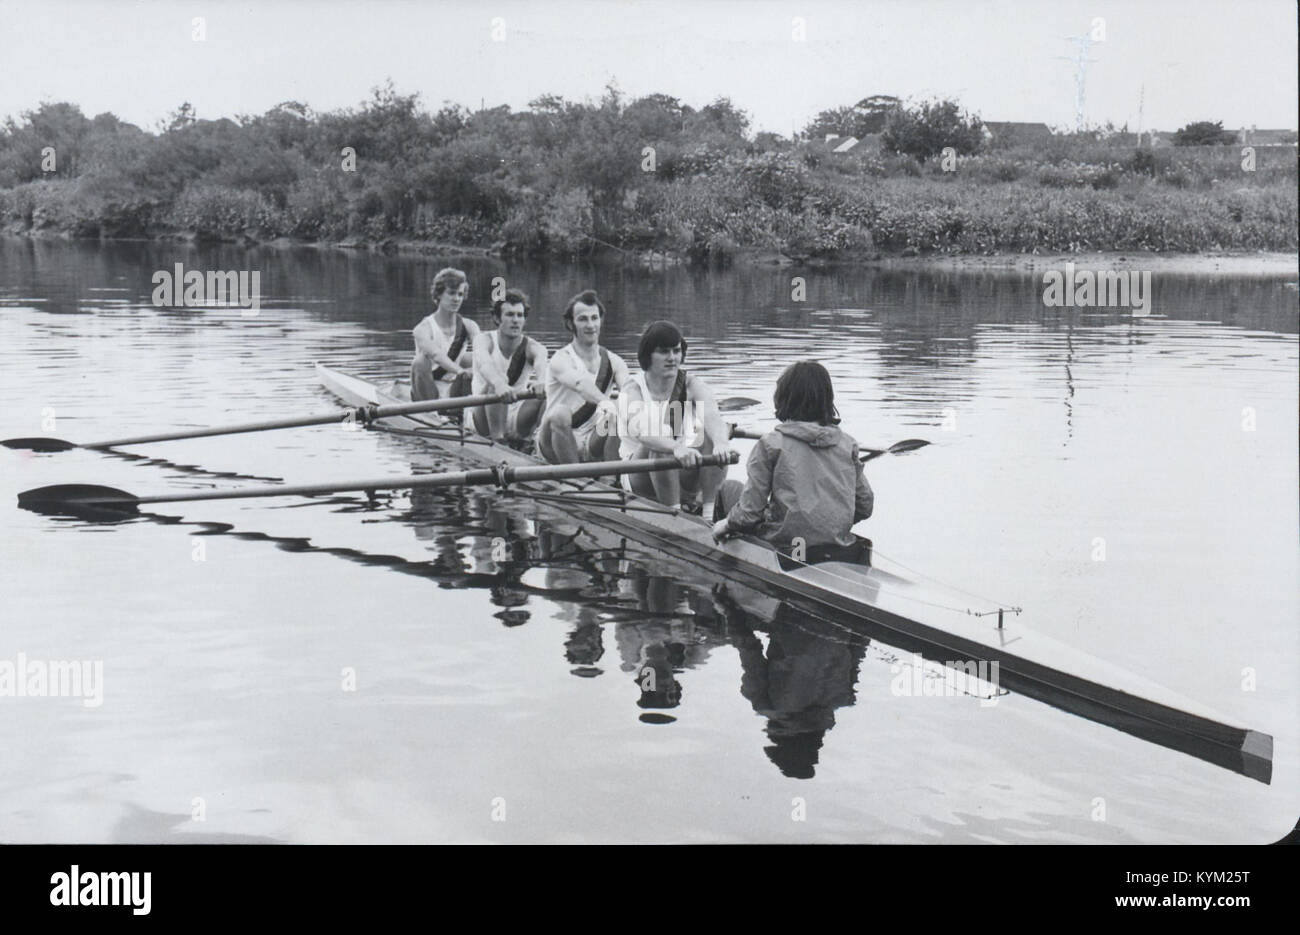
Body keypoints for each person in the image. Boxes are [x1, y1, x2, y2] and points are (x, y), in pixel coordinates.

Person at [711, 360, 873, 560]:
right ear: (828, 399)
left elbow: (749, 513)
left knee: (729, 488)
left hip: (788, 549)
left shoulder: (770, 444)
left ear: (783, 399)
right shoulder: (848, 444)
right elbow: (865, 506)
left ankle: (718, 549)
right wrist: (830, 524)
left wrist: (725, 525)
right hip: (840, 547)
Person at [619, 320, 734, 520]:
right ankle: (676, 517)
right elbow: (643, 432)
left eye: (676, 351)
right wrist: (675, 447)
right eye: (664, 351)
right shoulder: (633, 388)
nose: (672, 358)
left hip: (680, 465)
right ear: (648, 356)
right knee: (660, 444)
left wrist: (721, 443)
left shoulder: (692, 384)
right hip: (638, 474)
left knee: (713, 434)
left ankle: (708, 515)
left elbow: (712, 416)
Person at [538, 290, 630, 464]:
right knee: (560, 413)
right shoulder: (561, 358)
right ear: (570, 323)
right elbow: (581, 384)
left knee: (623, 408)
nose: (590, 325)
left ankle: (612, 477)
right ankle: (574, 477)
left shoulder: (615, 361)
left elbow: (629, 390)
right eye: (582, 319)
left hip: (593, 439)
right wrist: (605, 403)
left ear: (601, 320)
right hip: (553, 441)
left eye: (594, 318)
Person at [469, 288, 548, 441]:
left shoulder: (535, 348)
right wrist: (499, 384)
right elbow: (485, 364)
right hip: (483, 412)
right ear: (497, 318)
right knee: (498, 379)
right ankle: (498, 441)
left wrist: (541, 382)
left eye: (520, 315)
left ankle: (535, 443)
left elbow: (542, 368)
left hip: (517, 415)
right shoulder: (483, 340)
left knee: (549, 391)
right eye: (510, 314)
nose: (516, 320)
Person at [411, 267, 480, 404]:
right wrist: (461, 371)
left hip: (454, 389)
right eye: (451, 293)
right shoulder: (423, 329)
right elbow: (437, 355)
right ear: (438, 295)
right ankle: (429, 413)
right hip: (427, 391)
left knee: (472, 358)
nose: (456, 299)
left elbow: (485, 352)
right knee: (419, 362)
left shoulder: (470, 326)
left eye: (460, 294)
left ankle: (461, 413)